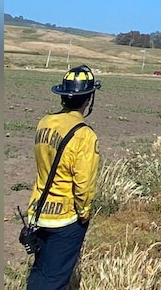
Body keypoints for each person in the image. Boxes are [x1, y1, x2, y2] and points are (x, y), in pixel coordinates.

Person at [24, 66, 101, 290]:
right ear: (88, 99)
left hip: (38, 212)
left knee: (39, 272)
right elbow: (83, 186)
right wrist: (84, 214)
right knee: (55, 280)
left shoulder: (44, 123)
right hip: (65, 218)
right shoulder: (84, 135)